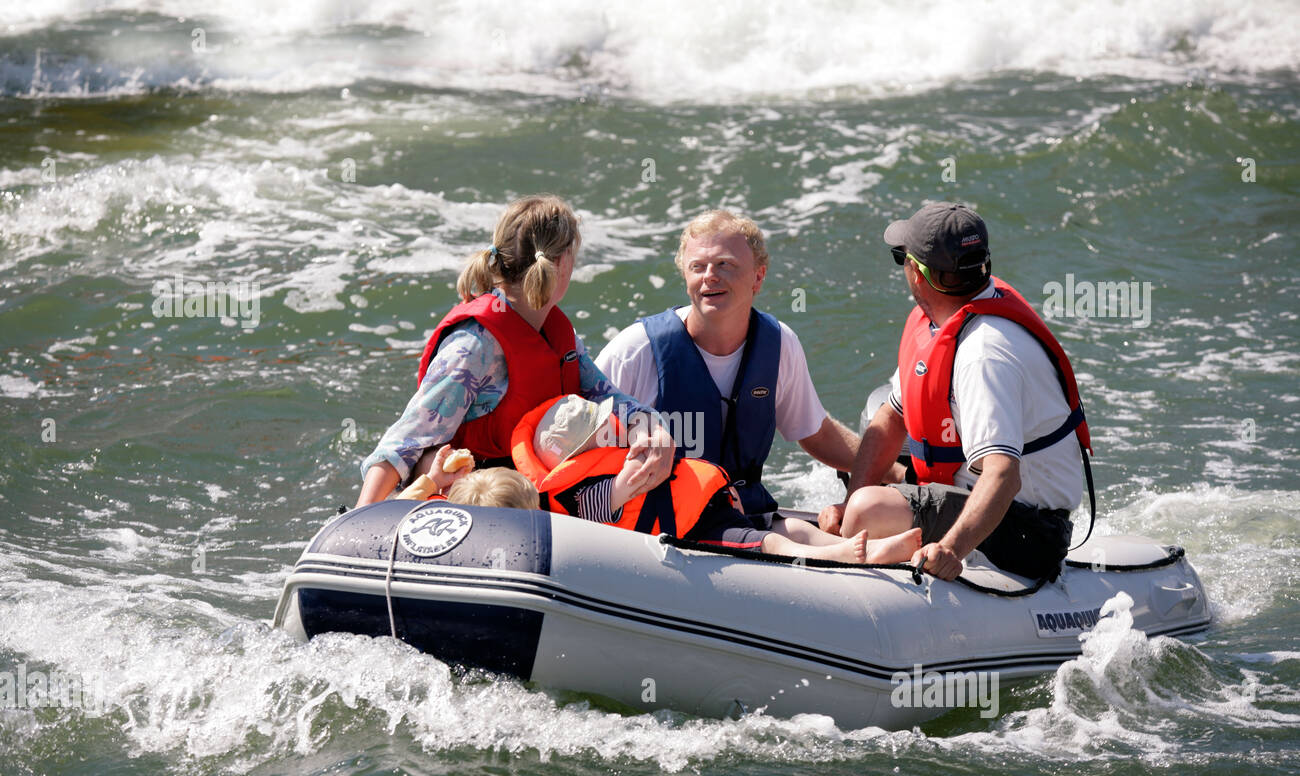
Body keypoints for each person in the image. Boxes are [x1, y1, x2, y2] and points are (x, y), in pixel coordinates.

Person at [819, 202, 1093, 582]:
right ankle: (884, 530)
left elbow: (1003, 476)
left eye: (903, 258)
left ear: (916, 273)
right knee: (870, 441)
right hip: (979, 494)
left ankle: (891, 545)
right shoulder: (948, 320)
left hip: (1026, 530)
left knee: (868, 510)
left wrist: (950, 550)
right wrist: (848, 501)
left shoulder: (982, 354)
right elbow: (892, 417)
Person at [356, 194, 674, 508]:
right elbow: (402, 444)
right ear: (563, 263)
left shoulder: (556, 334)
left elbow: (606, 395)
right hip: (476, 504)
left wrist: (652, 428)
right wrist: (362, 516)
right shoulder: (474, 348)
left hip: (530, 497)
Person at [596, 209, 859, 519]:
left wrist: (892, 472)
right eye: (698, 267)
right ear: (686, 276)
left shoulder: (779, 345)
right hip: (654, 524)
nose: (709, 275)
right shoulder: (635, 352)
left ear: (758, 277)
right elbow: (580, 441)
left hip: (743, 517)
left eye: (725, 264)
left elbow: (816, 433)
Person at [510, 395, 921, 565]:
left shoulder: (609, 452)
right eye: (599, 431)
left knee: (790, 525)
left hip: (711, 503)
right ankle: (843, 556)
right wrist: (633, 470)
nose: (610, 428)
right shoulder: (581, 493)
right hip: (692, 528)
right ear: (575, 454)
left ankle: (872, 547)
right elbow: (621, 493)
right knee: (770, 542)